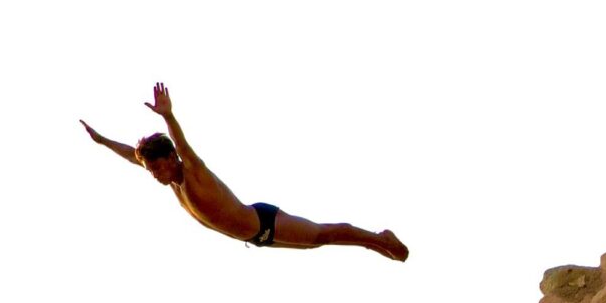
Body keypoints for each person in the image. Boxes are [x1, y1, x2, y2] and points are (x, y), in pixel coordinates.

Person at [80, 84, 408, 261]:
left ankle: (378, 240)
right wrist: (102, 141)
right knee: (314, 245)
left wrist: (168, 116)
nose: (153, 174)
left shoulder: (192, 171)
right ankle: (376, 243)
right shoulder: (172, 183)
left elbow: (181, 142)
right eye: (150, 170)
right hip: (254, 237)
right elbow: (132, 156)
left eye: (156, 167)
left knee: (321, 235)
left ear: (170, 158)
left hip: (261, 221)